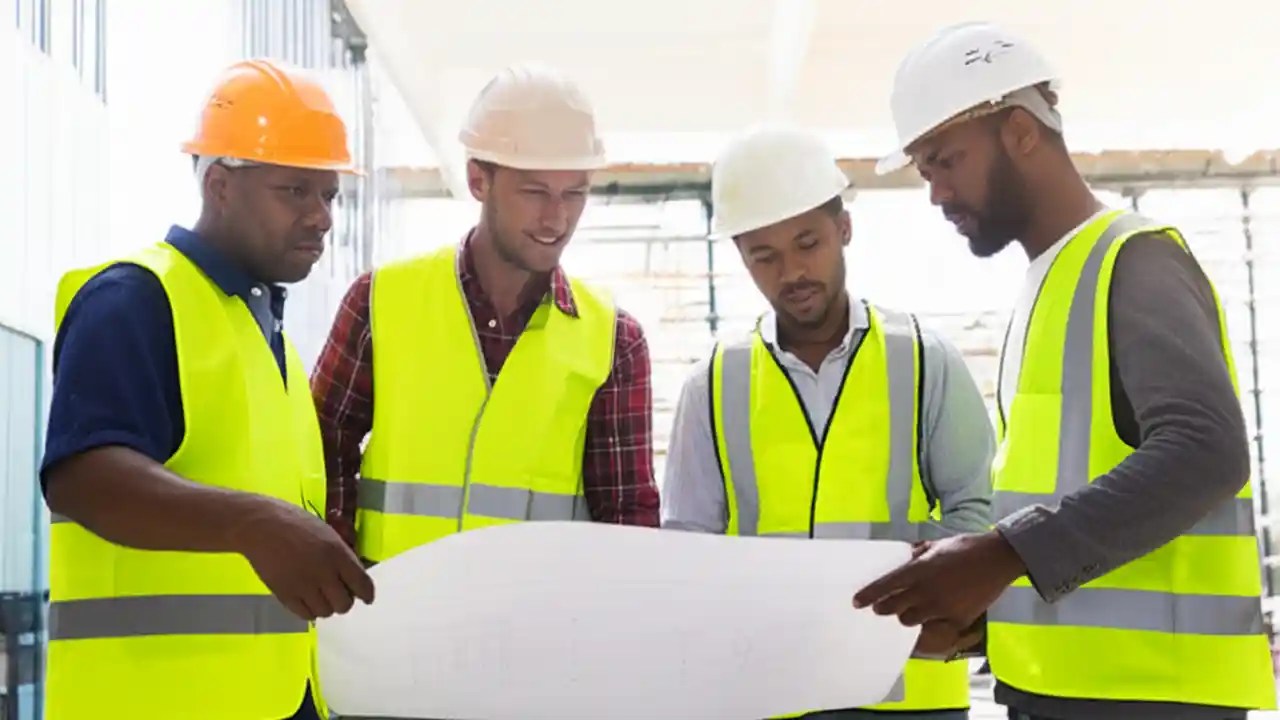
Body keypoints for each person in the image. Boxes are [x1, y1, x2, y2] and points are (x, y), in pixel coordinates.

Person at [853, 21, 1276, 720]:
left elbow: (1205, 451)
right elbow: (1073, 512)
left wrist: (995, 556)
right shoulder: (1047, 290)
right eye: (926, 172)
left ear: (1020, 130)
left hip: (1151, 700)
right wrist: (988, 610)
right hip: (1067, 693)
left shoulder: (1134, 260)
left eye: (945, 160)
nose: (936, 193)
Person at [40, 58, 374, 719]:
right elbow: (85, 477)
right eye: (294, 191)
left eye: (329, 195)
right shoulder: (135, 299)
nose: (322, 218)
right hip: (152, 702)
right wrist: (256, 524)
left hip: (271, 699)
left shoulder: (263, 334)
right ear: (220, 185)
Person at [661, 125, 994, 718]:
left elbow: (982, 519)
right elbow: (688, 555)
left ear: (844, 229)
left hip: (910, 698)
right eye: (765, 255)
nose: (792, 272)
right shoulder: (713, 382)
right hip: (765, 697)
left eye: (807, 242)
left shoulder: (924, 359)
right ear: (741, 256)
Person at [311, 62, 660, 567]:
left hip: (538, 631)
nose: (556, 219)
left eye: (575, 193)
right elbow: (324, 447)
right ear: (479, 178)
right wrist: (342, 565)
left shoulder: (614, 339)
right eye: (535, 192)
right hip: (394, 623)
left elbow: (627, 517)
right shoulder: (379, 300)